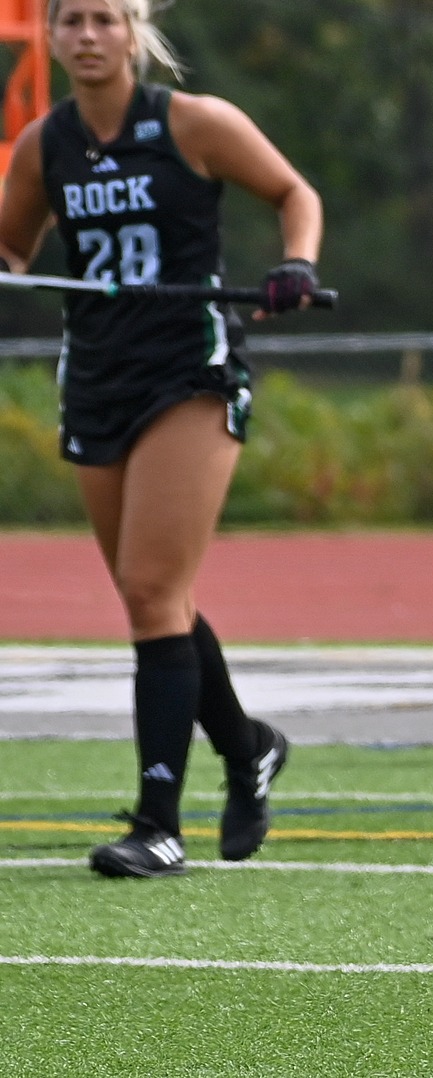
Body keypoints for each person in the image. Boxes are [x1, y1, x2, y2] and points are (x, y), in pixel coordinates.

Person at [0, 0, 321, 877]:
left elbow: (296, 194)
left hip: (189, 373)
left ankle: (158, 822)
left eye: (105, 18)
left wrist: (296, 262)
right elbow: (14, 248)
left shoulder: (194, 122)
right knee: (157, 600)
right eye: (71, 21)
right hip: (96, 378)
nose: (87, 36)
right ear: (55, 37)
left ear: (133, 32)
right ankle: (246, 743)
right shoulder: (44, 145)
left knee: (148, 587)